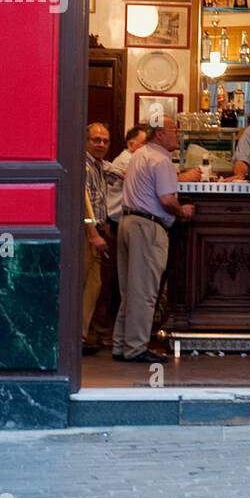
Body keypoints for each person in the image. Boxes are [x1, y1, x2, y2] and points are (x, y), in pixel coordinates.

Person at [114, 114, 195, 364]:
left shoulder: (139, 155)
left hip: (127, 222)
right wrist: (183, 211)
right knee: (145, 292)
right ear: (160, 134)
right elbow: (166, 199)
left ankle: (121, 344)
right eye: (174, 130)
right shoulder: (161, 160)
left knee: (129, 290)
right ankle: (136, 348)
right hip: (148, 226)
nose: (178, 134)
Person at [92, 125, 148, 343]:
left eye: (105, 141)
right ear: (130, 144)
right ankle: (99, 333)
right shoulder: (128, 160)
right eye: (143, 144)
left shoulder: (112, 162)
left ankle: (106, 333)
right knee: (107, 284)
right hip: (110, 227)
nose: (102, 145)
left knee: (114, 283)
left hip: (115, 226)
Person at [81, 123, 113, 356]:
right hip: (85, 234)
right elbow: (83, 203)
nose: (101, 144)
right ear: (85, 141)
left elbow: (123, 171)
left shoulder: (100, 166)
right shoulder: (84, 165)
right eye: (96, 140)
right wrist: (93, 233)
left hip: (98, 231)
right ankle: (77, 338)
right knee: (85, 286)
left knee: (95, 285)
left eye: (105, 140)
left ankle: (81, 336)